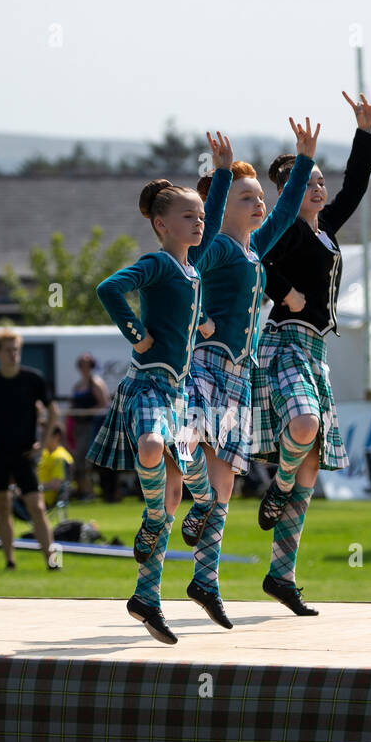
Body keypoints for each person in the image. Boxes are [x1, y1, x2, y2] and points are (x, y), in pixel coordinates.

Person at [88, 131, 234, 643]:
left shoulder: (192, 266)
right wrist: (137, 333)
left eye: (199, 217)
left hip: (182, 394)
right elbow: (109, 289)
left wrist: (220, 174)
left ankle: (146, 599)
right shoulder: (157, 264)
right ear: (160, 224)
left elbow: (214, 221)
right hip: (150, 384)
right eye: (188, 217)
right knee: (152, 449)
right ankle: (153, 522)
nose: (199, 224)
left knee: (199, 488)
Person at [186, 116, 318, 629]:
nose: (258, 202)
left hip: (240, 374)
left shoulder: (255, 248)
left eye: (257, 196)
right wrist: (221, 175)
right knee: (186, 440)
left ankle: (206, 581)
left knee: (224, 487)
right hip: (205, 365)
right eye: (247, 198)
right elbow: (208, 232)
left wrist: (304, 159)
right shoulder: (215, 246)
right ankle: (194, 507)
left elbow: (286, 213)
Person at [254, 92, 371, 618]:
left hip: (314, 350)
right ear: (285, 194)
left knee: (310, 464)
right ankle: (275, 487)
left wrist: (364, 129)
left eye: (320, 183)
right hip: (283, 340)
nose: (320, 190)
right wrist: (282, 290)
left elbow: (356, 185)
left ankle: (281, 575)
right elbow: (252, 261)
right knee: (303, 426)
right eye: (309, 184)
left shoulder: (325, 228)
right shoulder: (279, 231)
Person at [0, 327, 61, 572]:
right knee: (3, 506)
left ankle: (51, 560)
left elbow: (53, 411)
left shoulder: (33, 379)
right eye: (8, 351)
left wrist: (42, 442)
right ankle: (10, 560)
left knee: (36, 507)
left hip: (25, 453)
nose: (13, 355)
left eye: (16, 350)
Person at [69, 353, 110, 500]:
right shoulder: (78, 384)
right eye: (81, 364)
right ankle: (82, 490)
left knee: (85, 458)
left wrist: (87, 412)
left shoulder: (96, 383)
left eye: (87, 364)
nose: (84, 367)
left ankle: (89, 491)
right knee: (77, 458)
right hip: (78, 426)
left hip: (91, 426)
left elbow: (104, 404)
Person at [36, 425, 74, 509]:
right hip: (36, 494)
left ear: (56, 437)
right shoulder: (44, 453)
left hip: (44, 499)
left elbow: (56, 484)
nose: (42, 438)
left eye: (45, 435)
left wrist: (33, 487)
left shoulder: (60, 457)